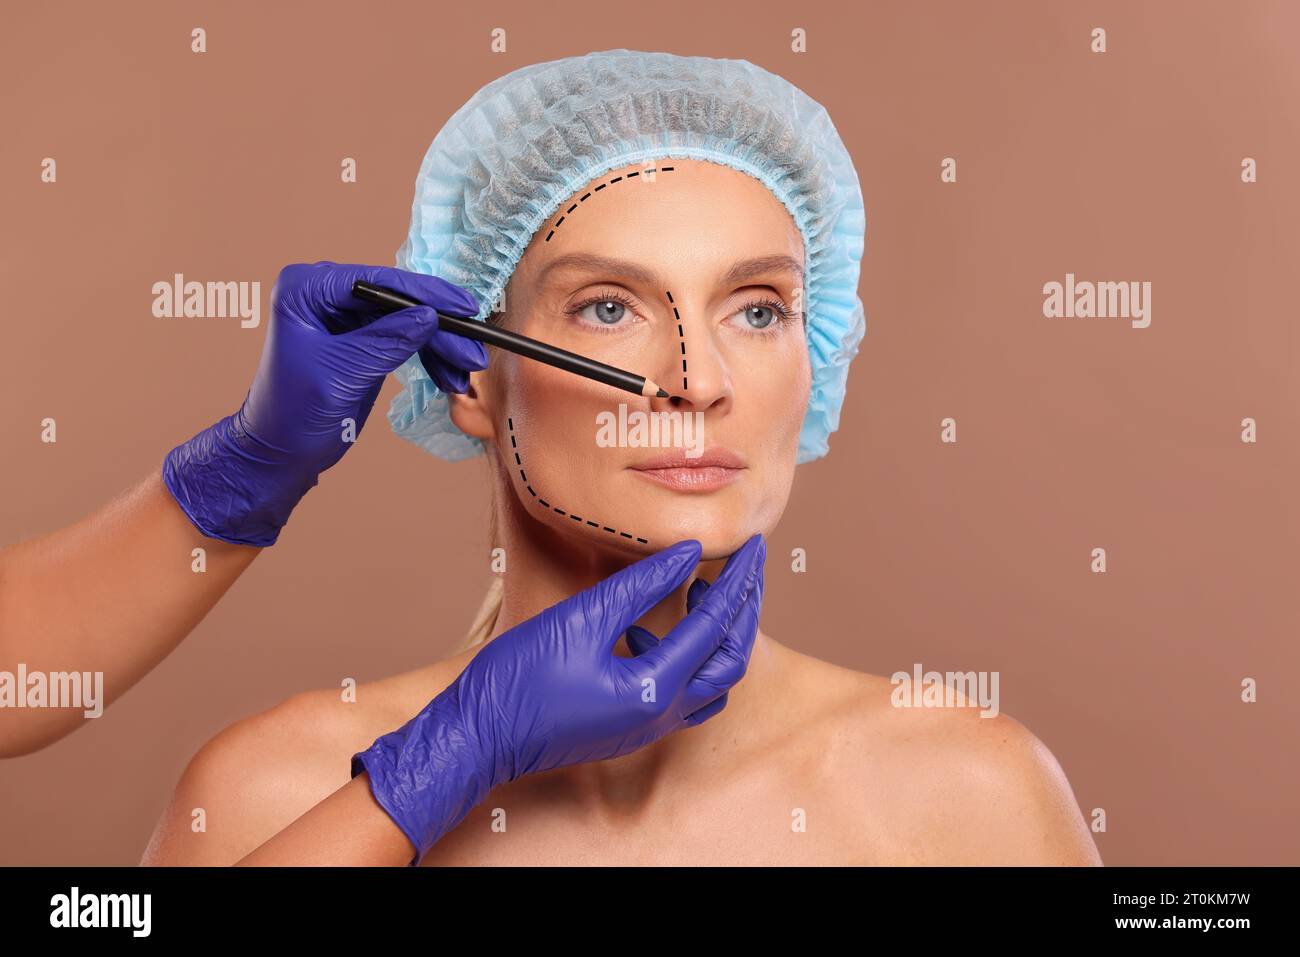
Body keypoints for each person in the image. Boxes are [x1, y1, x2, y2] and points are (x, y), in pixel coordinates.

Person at [141, 51, 1102, 865]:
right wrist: (434, 772)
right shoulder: (269, 799)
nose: (696, 380)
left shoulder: (970, 799)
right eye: (609, 307)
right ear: (471, 377)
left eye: (758, 309)